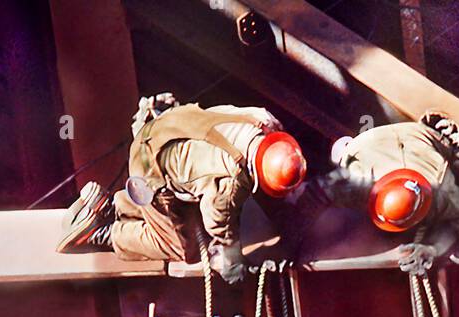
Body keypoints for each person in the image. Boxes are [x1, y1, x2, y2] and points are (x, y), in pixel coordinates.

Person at [57, 93, 306, 282]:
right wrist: (233, 263)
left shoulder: (260, 120)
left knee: (186, 206)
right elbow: (218, 222)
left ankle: (114, 206)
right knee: (181, 248)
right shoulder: (231, 181)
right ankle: (104, 233)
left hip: (161, 133)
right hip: (151, 170)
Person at [319, 112, 459, 273]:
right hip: (370, 142)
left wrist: (432, 249)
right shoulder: (358, 165)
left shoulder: (441, 186)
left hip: (418, 138)